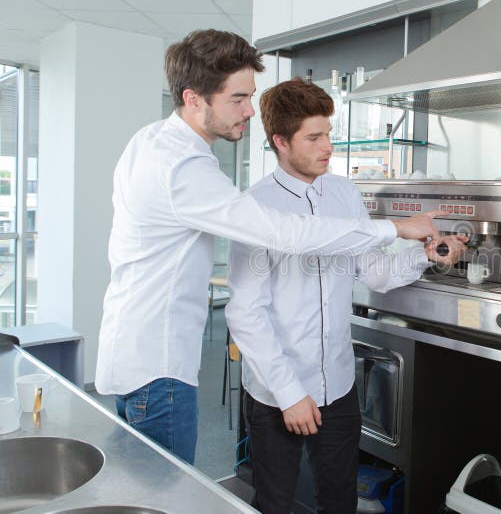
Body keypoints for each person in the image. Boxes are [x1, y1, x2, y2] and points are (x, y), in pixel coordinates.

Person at [95, 30, 447, 464]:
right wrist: (395, 227)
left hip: (140, 358)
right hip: (159, 368)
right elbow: (288, 236)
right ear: (194, 98)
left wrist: (416, 250)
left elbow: (370, 270)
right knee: (167, 498)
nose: (248, 111)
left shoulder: (152, 142)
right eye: (237, 99)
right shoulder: (182, 167)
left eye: (250, 97)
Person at [225, 77, 467, 514]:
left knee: (339, 503)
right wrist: (289, 393)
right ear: (280, 141)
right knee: (274, 504)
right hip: (278, 392)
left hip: (337, 386)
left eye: (329, 134)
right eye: (314, 137)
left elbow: (374, 271)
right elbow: (245, 313)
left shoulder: (344, 192)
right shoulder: (256, 208)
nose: (327, 147)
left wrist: (423, 254)